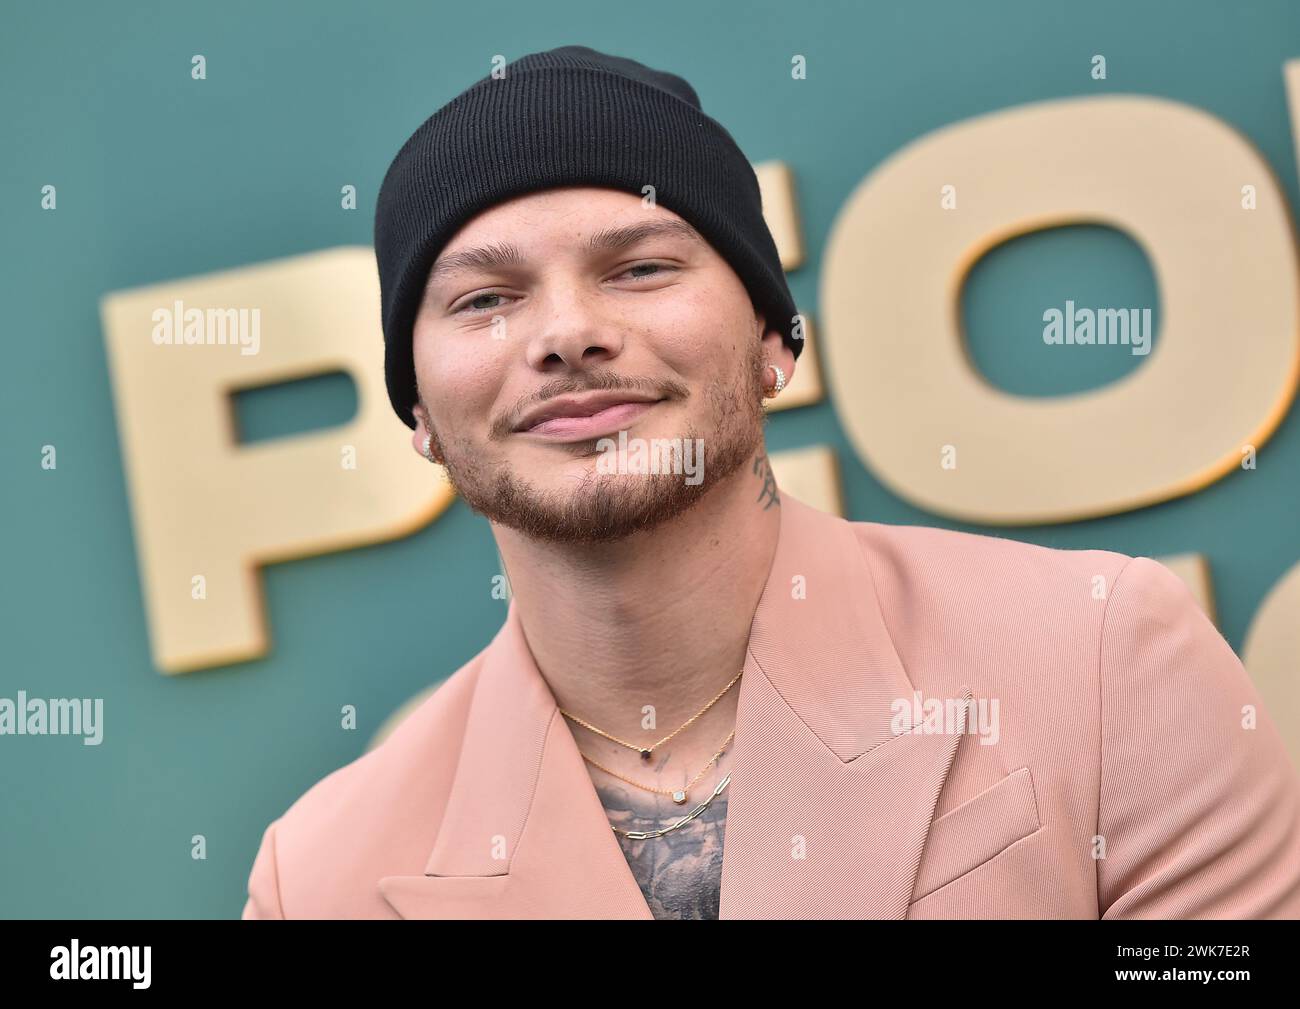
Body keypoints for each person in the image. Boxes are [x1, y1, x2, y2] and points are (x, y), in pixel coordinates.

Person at [241, 45, 1300, 920]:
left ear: (772, 342)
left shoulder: (1103, 656)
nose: (566, 334)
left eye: (639, 268)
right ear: (418, 411)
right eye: (483, 300)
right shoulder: (320, 875)